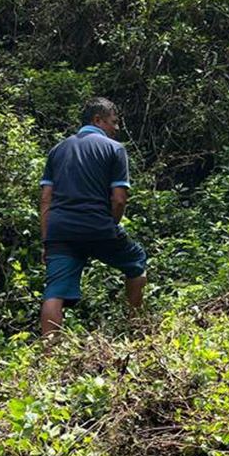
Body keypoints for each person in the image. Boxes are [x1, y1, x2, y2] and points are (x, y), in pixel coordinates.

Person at [39, 97, 147, 337]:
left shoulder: (57, 150)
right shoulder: (114, 149)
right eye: (114, 122)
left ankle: (47, 354)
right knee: (136, 260)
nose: (116, 128)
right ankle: (136, 326)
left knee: (54, 291)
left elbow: (46, 199)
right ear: (97, 120)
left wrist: (47, 240)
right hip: (97, 225)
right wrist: (109, 226)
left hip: (60, 230)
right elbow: (119, 199)